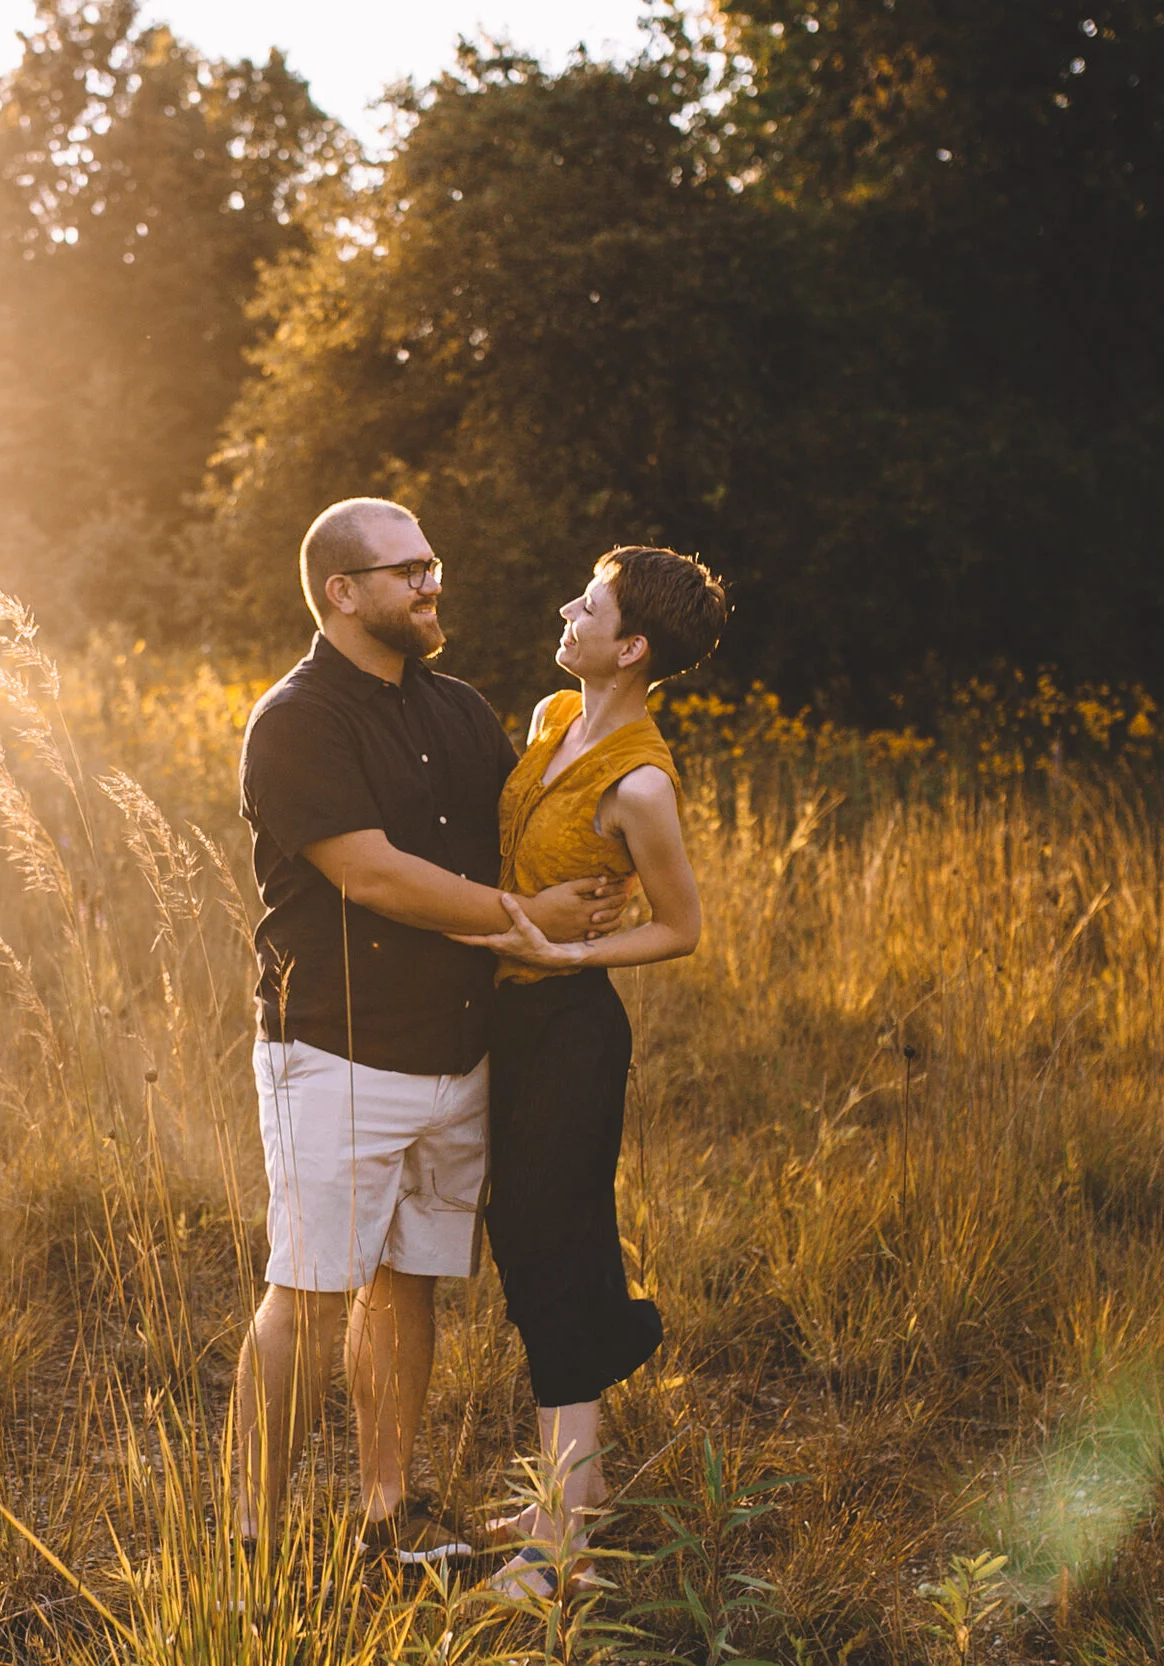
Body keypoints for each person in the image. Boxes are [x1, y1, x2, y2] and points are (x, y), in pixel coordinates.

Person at [231, 498, 635, 1565]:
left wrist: (610, 872)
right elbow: (370, 875)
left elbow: (519, 839)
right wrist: (523, 918)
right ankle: (247, 1537)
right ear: (342, 592)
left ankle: (386, 1508)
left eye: (432, 564)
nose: (431, 585)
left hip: (459, 1052)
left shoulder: (458, 709)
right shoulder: (296, 719)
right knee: (310, 1295)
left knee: (406, 1282)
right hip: (336, 1050)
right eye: (408, 570)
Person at [446, 545, 729, 1598]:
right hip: (510, 1023)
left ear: (631, 644)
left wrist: (571, 952)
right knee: (524, 1234)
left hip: (573, 1029)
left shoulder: (643, 780)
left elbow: (680, 928)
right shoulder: (549, 719)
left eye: (590, 601)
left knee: (550, 1247)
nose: (567, 607)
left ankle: (556, 1544)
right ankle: (584, 1480)